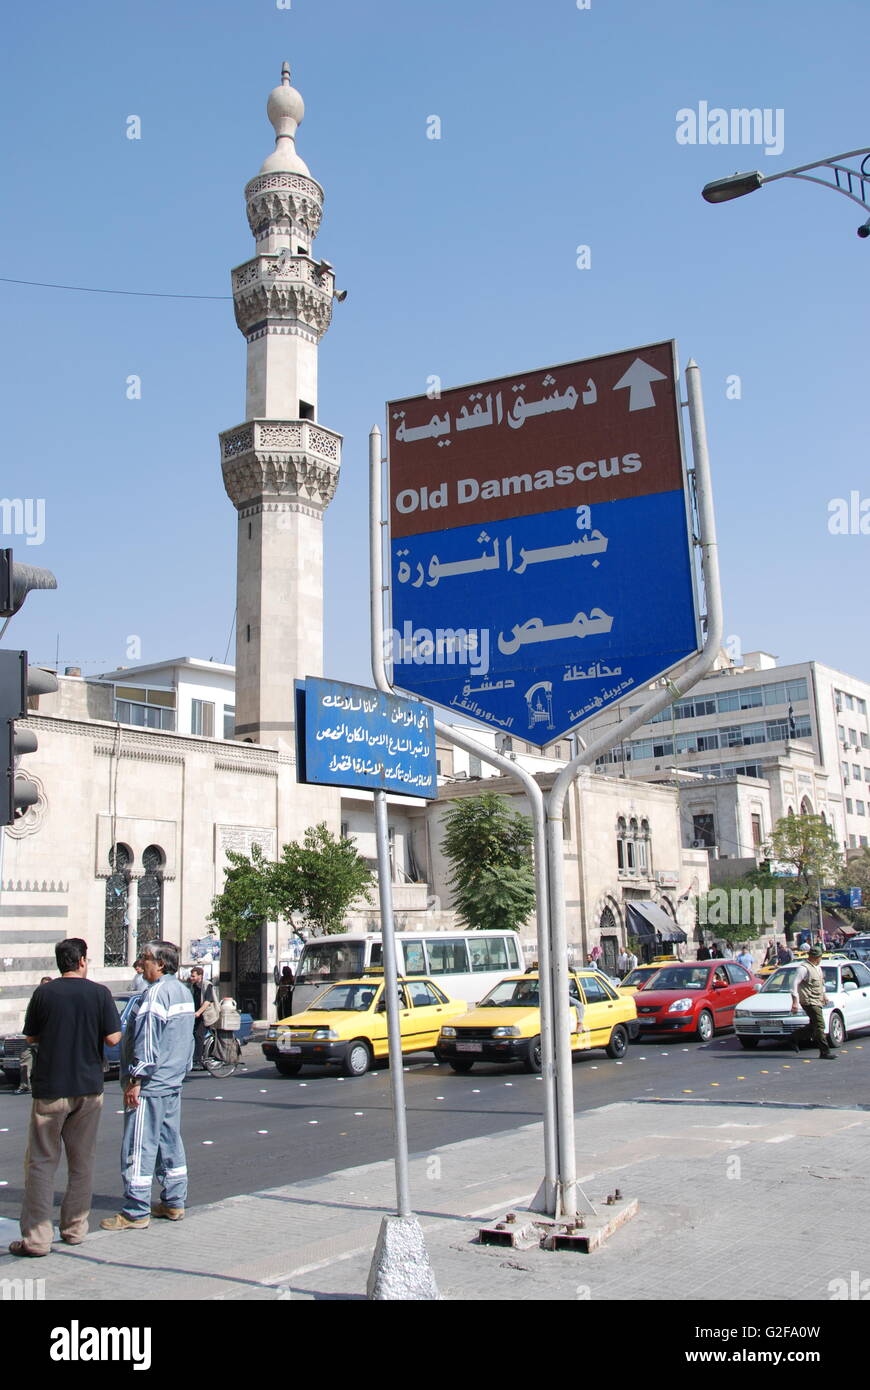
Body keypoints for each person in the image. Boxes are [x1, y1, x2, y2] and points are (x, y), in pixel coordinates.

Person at [8, 940, 121, 1258]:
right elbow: (113, 1037)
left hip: (51, 1086)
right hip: (87, 1086)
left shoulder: (44, 993)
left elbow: (31, 1036)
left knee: (42, 1162)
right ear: (82, 961)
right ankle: (74, 1229)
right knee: (82, 1161)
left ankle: (37, 1239)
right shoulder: (99, 993)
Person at [100, 940, 195, 1231]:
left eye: (146, 959)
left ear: (161, 963)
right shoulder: (183, 992)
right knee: (169, 1141)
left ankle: (135, 1210)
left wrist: (135, 1080)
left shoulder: (155, 994)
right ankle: (174, 1201)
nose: (142, 965)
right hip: (172, 1081)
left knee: (139, 1145)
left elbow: (147, 1042)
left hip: (151, 1084)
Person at [790, 945, 837, 1059]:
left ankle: (793, 1037)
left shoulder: (817, 968)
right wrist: (795, 1002)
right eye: (820, 957)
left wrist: (824, 995)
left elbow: (820, 983)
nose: (821, 959)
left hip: (817, 999)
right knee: (820, 1025)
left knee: (814, 1025)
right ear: (815, 957)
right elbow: (794, 984)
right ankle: (824, 1052)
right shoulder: (803, 968)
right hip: (809, 1001)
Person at [16, 977, 53, 1095]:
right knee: (25, 1057)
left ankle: (48, 1085)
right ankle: (25, 1085)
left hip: (47, 1035)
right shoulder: (35, 999)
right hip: (33, 1035)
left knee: (48, 1061)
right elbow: (29, 1017)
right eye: (42, 985)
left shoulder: (54, 1000)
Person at [189, 965, 218, 1070]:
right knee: (193, 1034)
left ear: (200, 976)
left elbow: (207, 1001)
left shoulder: (207, 985)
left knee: (199, 1034)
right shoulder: (194, 986)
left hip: (207, 1015)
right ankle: (200, 1057)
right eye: (191, 976)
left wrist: (198, 1012)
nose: (191, 978)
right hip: (197, 1014)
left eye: (193, 976)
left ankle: (198, 1060)